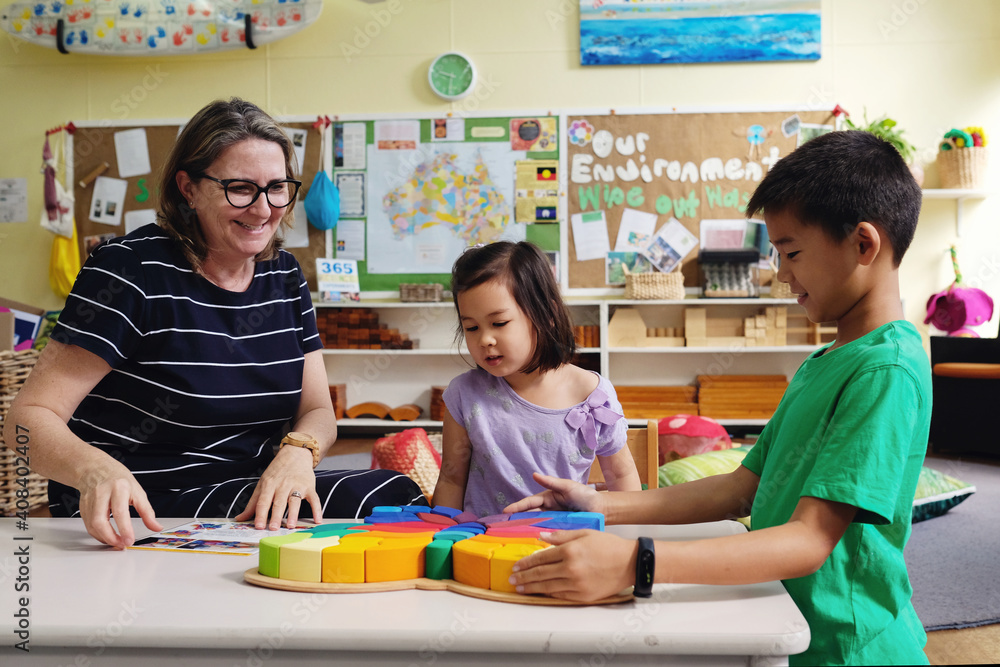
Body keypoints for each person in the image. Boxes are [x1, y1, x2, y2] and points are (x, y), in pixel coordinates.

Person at [504, 131, 931, 666]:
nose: (783, 274)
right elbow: (742, 488)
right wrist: (602, 504)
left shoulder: (884, 370)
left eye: (792, 252)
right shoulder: (828, 360)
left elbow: (809, 540)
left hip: (846, 647)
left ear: (863, 244)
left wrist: (637, 562)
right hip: (780, 619)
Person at [4, 98, 425, 550]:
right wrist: (92, 469)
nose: (263, 209)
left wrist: (299, 452)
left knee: (396, 502)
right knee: (383, 501)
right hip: (144, 504)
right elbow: (26, 420)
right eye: (241, 188)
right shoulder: (129, 271)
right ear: (188, 188)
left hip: (249, 488)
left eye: (278, 187)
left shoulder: (283, 275)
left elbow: (317, 410)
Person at [431, 241, 641, 516]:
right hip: (483, 547)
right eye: (471, 327)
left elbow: (622, 478)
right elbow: (451, 479)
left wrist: (627, 541)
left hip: (564, 544)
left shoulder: (592, 395)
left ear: (545, 315)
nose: (484, 339)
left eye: (499, 323)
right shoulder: (464, 394)